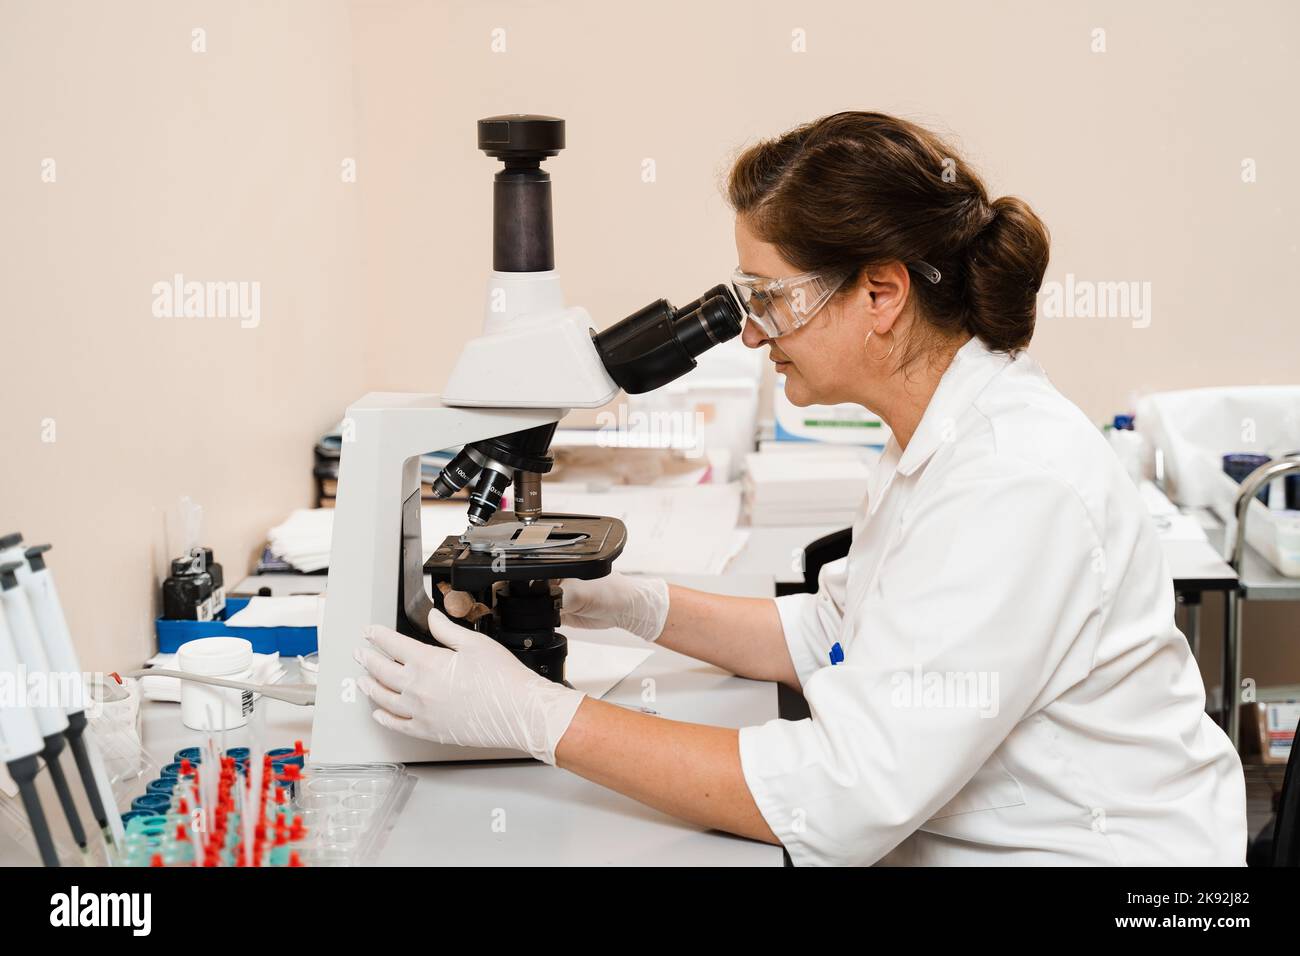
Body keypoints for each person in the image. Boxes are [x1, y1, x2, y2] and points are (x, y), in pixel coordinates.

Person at [353, 111, 1247, 865]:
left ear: (881, 293)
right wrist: (623, 604)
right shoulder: (934, 433)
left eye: (771, 299)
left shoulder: (1014, 482)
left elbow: (845, 791)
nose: (751, 335)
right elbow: (831, 633)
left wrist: (536, 716)